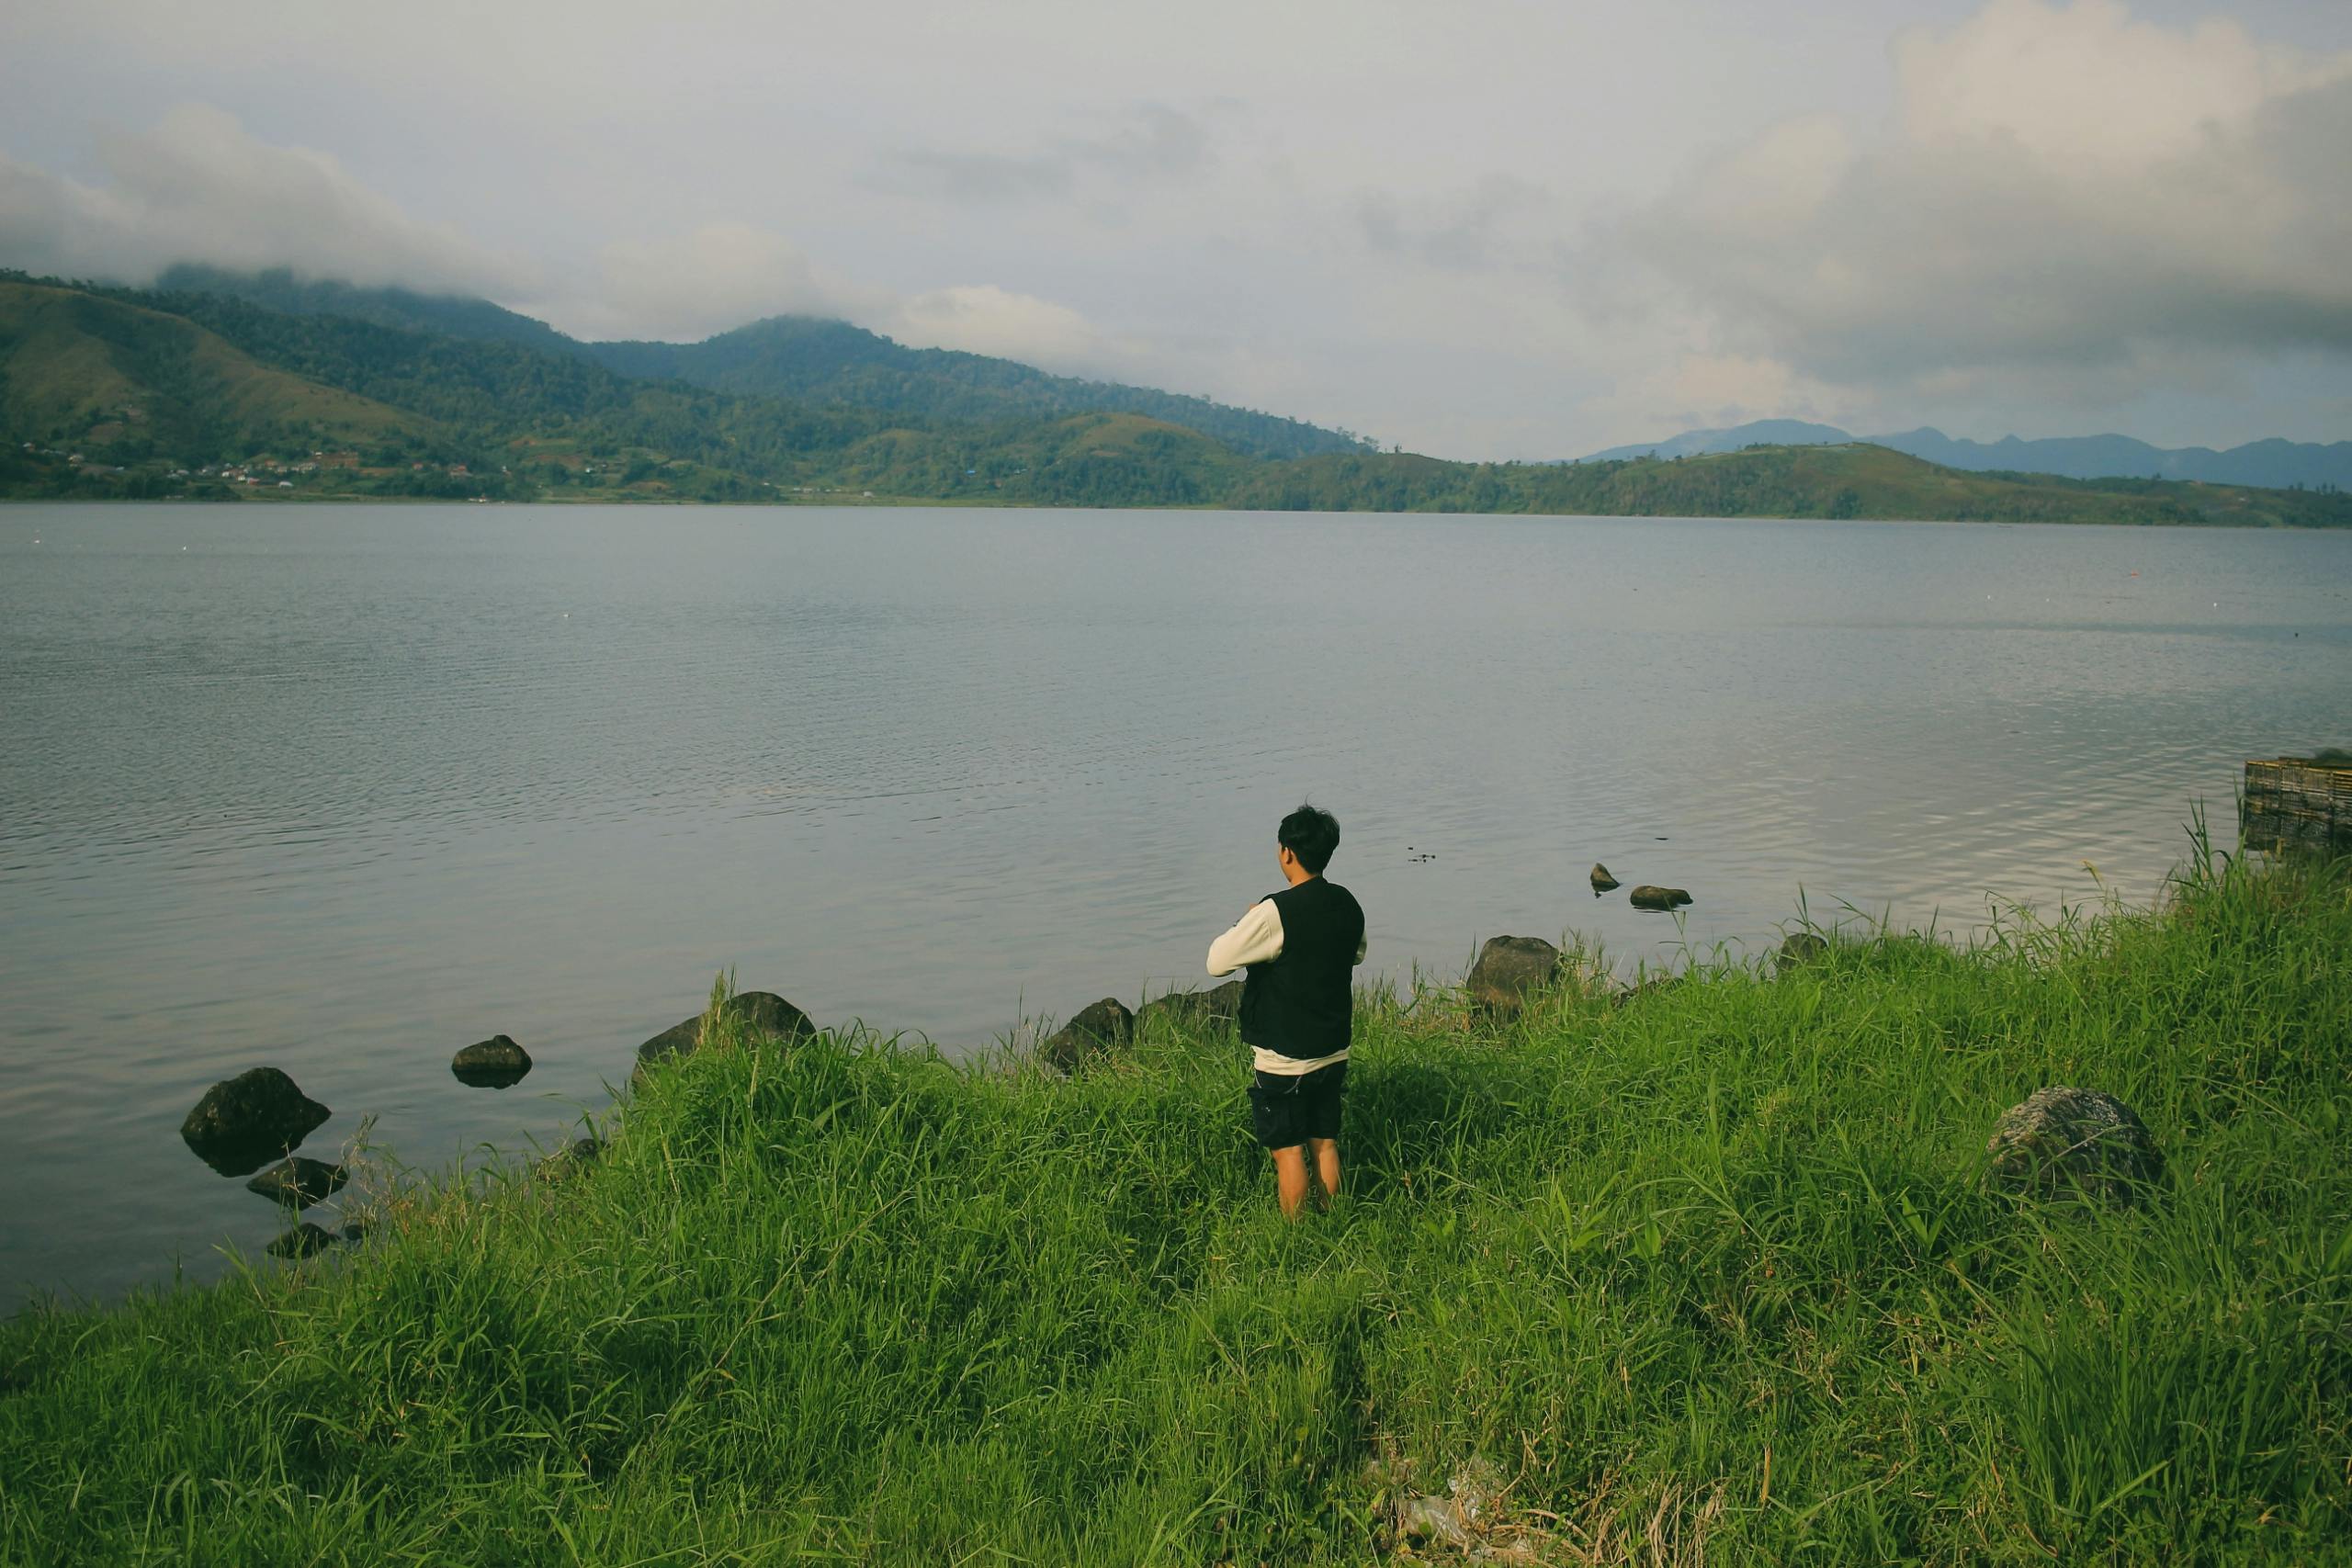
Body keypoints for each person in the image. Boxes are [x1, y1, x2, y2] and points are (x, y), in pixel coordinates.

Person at [1206, 803, 1367, 1217]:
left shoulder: (1274, 913)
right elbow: (1357, 954)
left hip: (1284, 1058)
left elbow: (1217, 962)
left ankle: (1296, 1241)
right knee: (1325, 1142)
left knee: (1289, 1152)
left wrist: (1248, 922)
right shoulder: (1348, 904)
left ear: (1286, 853)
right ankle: (1334, 1222)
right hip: (1333, 1049)